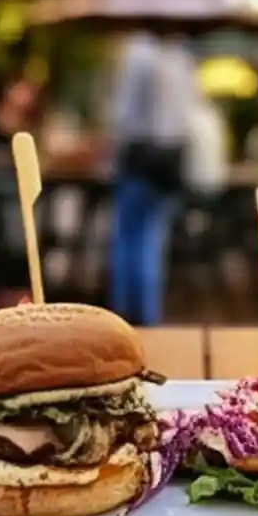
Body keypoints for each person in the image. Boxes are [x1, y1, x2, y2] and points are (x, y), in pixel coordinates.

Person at [109, 32, 199, 326]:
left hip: (140, 159)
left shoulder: (138, 52)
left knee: (129, 240)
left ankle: (126, 316)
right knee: (151, 240)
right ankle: (148, 315)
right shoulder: (182, 57)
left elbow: (123, 116)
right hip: (171, 161)